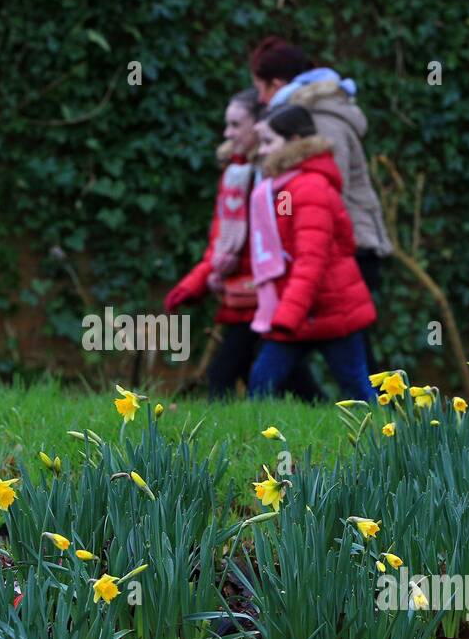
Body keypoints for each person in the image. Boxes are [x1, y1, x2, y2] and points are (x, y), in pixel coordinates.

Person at [164, 89, 321, 401]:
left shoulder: (277, 180)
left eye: (236, 125)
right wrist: (198, 280)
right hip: (246, 293)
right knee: (275, 375)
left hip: (262, 294)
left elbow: (285, 237)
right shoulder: (236, 175)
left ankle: (226, 437)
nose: (227, 133)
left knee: (237, 374)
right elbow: (222, 241)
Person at [246, 104, 377, 402]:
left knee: (356, 388)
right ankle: (255, 441)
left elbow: (310, 259)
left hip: (329, 307)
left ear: (294, 142)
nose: (262, 151)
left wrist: (288, 311)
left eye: (268, 142)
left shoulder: (309, 188)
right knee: (262, 383)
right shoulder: (286, 188)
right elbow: (285, 242)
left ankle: (390, 443)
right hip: (305, 307)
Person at [249, 37, 392, 295]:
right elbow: (286, 188)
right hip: (325, 251)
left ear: (277, 84)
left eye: (261, 88)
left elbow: (327, 192)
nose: (259, 98)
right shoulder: (298, 117)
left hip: (347, 253)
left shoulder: (321, 119)